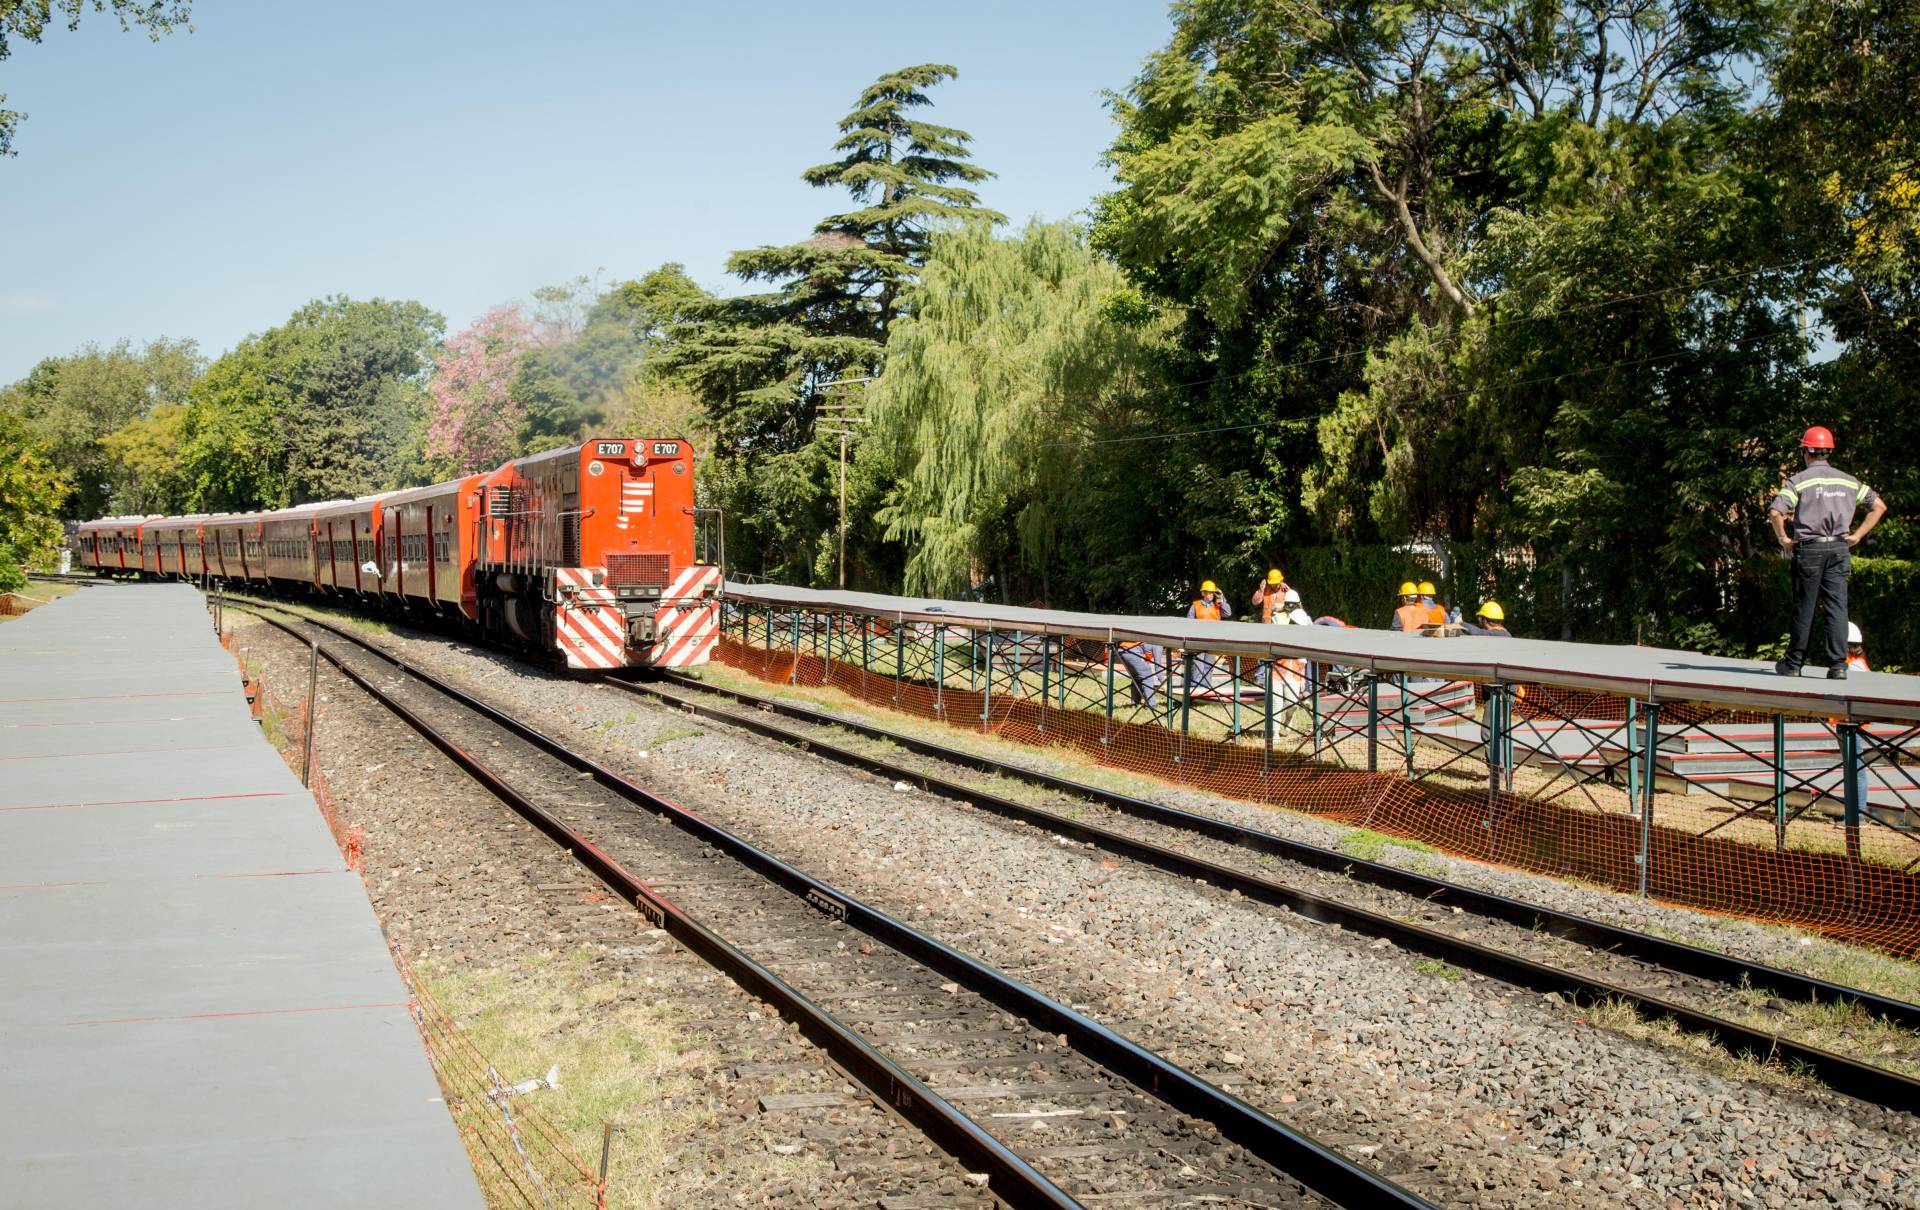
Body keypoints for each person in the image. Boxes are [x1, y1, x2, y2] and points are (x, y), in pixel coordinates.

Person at [1768, 426, 1887, 679]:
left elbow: (1776, 512)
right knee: (1837, 607)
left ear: (1807, 452)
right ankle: (1838, 666)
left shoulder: (1799, 480)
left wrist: (1784, 539)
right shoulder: (1847, 480)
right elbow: (1878, 506)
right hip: (1839, 548)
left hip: (1810, 549)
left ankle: (1793, 664)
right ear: (1828, 451)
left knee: (1805, 607)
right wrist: (1857, 536)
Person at [1116, 640, 1166, 708]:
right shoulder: (1158, 645)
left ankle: (1135, 703)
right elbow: (1158, 667)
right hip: (1131, 652)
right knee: (1148, 676)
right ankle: (1152, 705)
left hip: (1121, 650)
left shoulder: (1152, 640)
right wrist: (1163, 683)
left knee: (1137, 677)